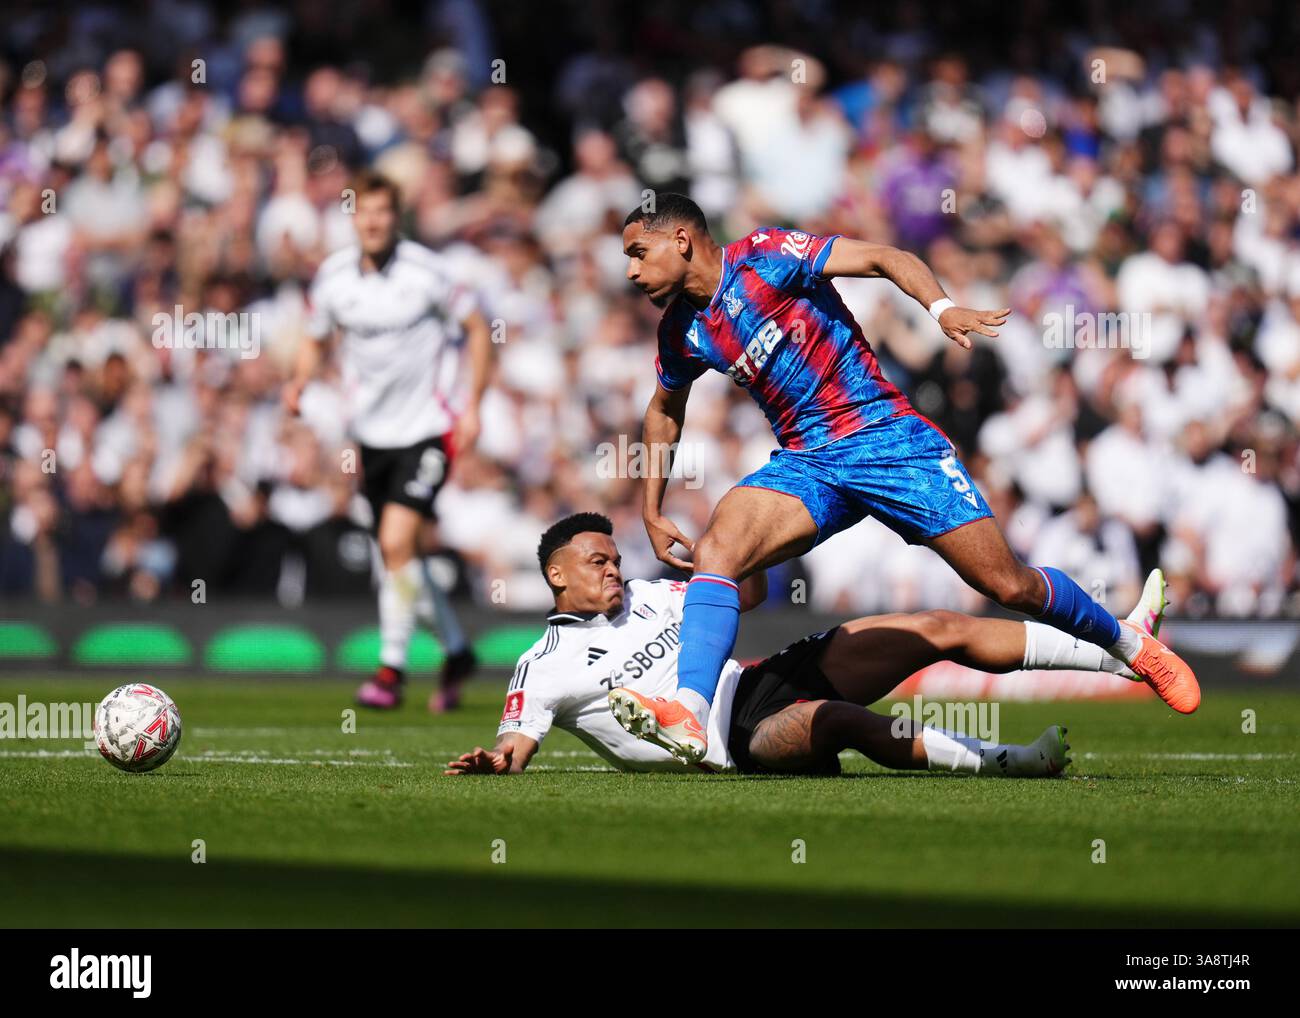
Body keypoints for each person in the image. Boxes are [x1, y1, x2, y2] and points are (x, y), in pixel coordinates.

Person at [622, 192, 1198, 764]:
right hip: (810, 462)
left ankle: (1130, 643)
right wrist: (651, 508)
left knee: (1007, 585)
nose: (632, 271)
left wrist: (942, 309)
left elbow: (883, 257)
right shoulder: (682, 331)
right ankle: (690, 711)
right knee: (718, 547)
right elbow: (663, 409)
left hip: (889, 441)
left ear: (682, 239)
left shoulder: (767, 255)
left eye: (639, 253)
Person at [445, 513, 1169, 777]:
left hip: (758, 681)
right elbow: (516, 744)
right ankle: (1019, 763)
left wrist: (720, 561)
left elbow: (750, 597)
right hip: (737, 742)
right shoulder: (541, 666)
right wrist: (493, 761)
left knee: (935, 627)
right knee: (841, 723)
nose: (615, 568)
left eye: (614, 557)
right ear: (555, 575)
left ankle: (1122, 654)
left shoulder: (655, 593)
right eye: (597, 562)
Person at [284, 172, 494, 711]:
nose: (373, 221)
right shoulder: (333, 279)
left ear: (395, 216)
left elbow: (477, 328)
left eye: (382, 211)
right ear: (352, 217)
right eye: (364, 212)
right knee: (400, 557)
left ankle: (389, 671)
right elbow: (313, 337)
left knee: (397, 542)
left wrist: (473, 406)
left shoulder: (428, 272)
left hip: (427, 428)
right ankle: (456, 650)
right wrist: (300, 378)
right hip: (370, 437)